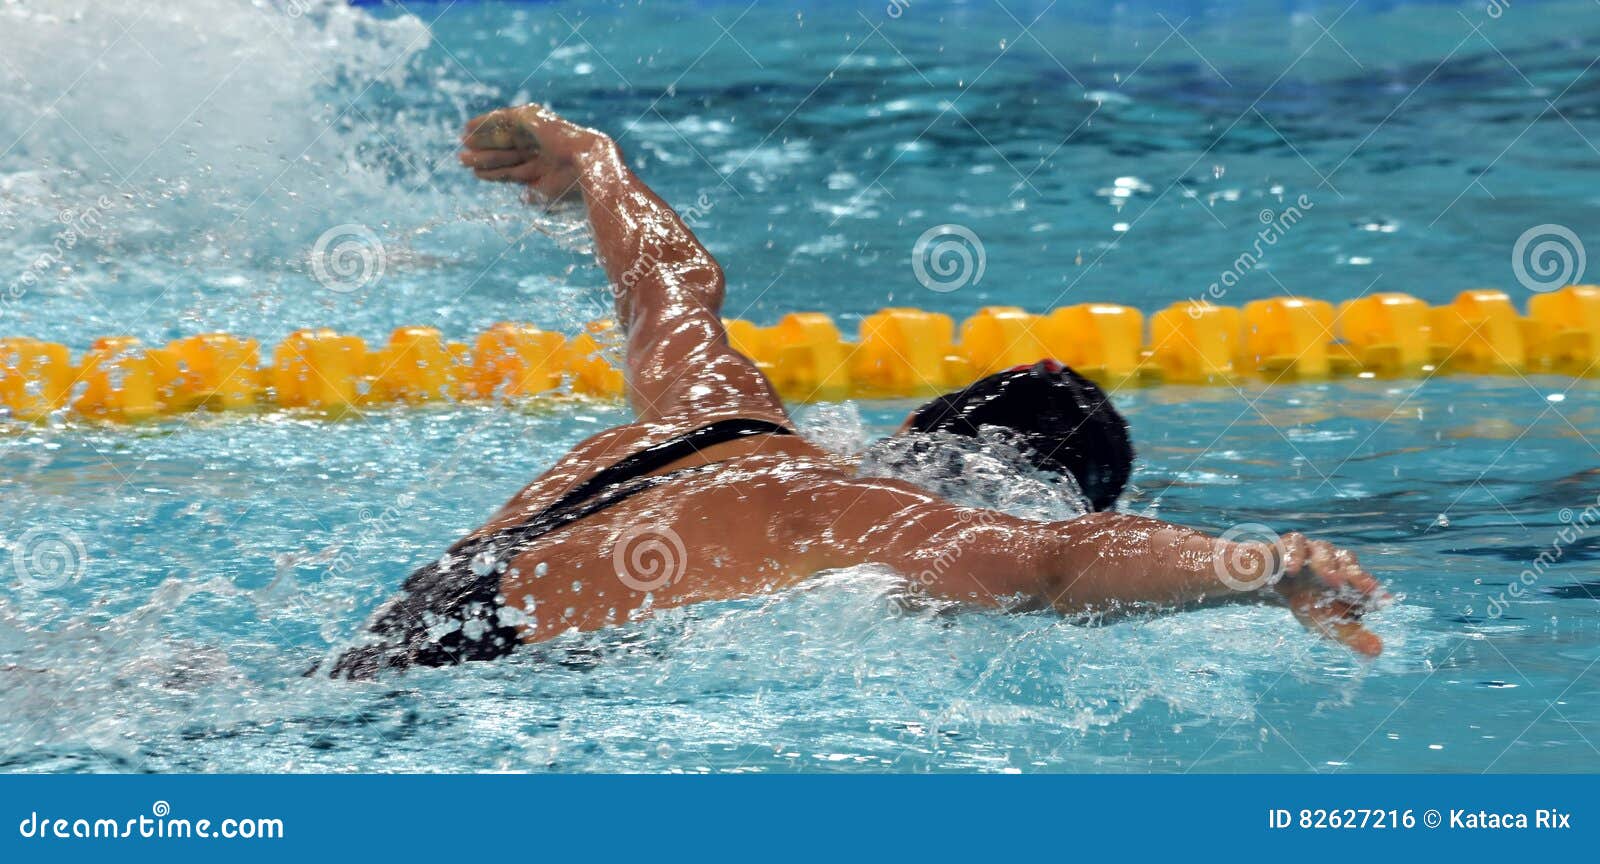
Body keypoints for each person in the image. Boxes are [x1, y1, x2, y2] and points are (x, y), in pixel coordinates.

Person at [323, 104, 1387, 679]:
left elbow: (668, 286)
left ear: (917, 424)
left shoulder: (716, 409)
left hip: (379, 654)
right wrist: (1256, 565)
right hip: (465, 711)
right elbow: (1058, 564)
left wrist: (594, 162)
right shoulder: (866, 522)